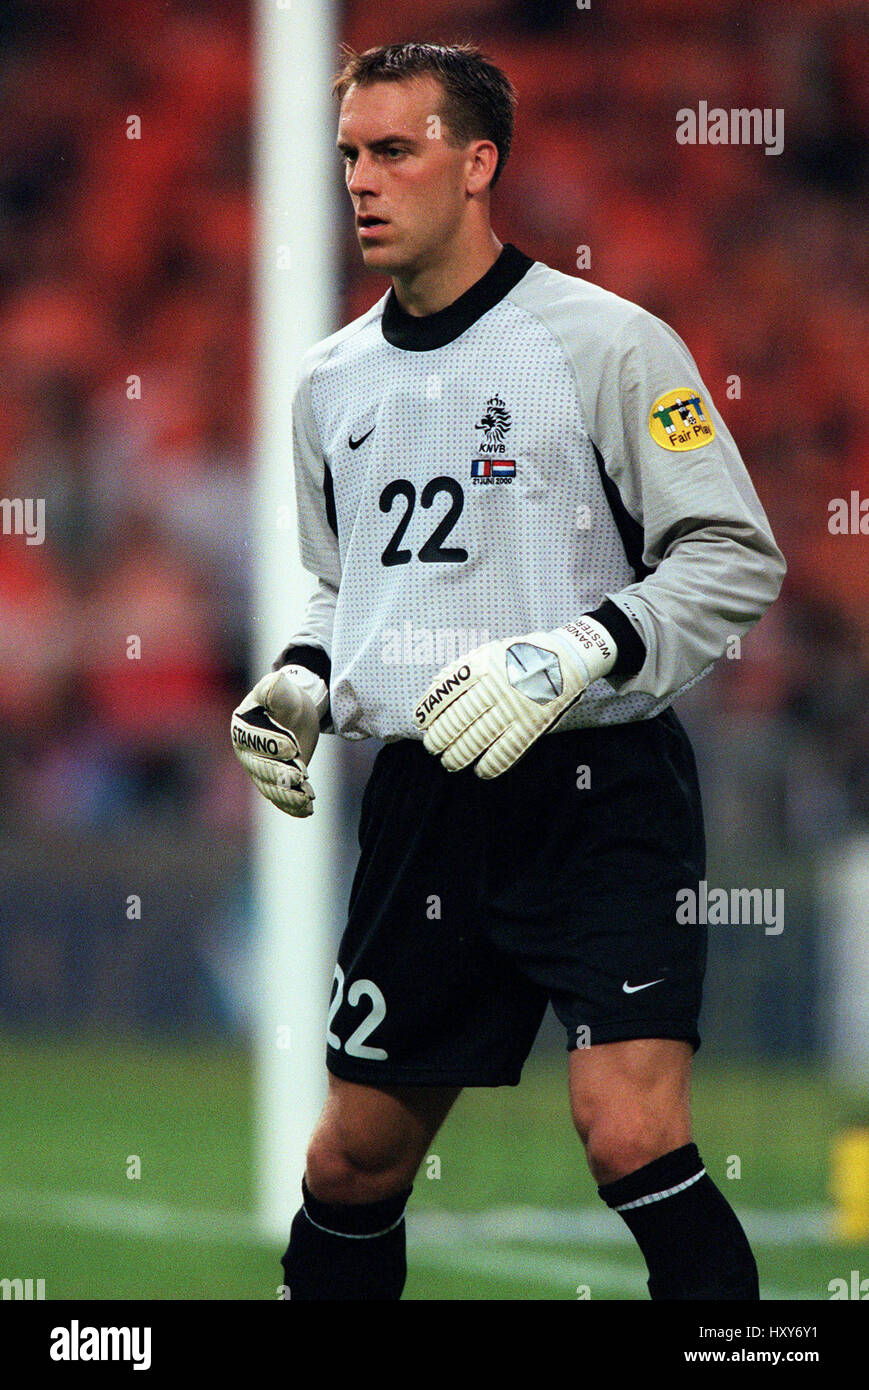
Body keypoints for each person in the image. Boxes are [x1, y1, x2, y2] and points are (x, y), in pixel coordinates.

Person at [231, 41, 786, 1301]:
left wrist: (575, 648)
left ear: (477, 164)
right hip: (429, 800)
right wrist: (309, 676)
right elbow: (347, 581)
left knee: (630, 1129)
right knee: (353, 1163)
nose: (361, 181)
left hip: (599, 792)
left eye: (394, 150)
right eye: (349, 155)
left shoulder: (607, 344)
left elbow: (732, 555)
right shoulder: (329, 380)